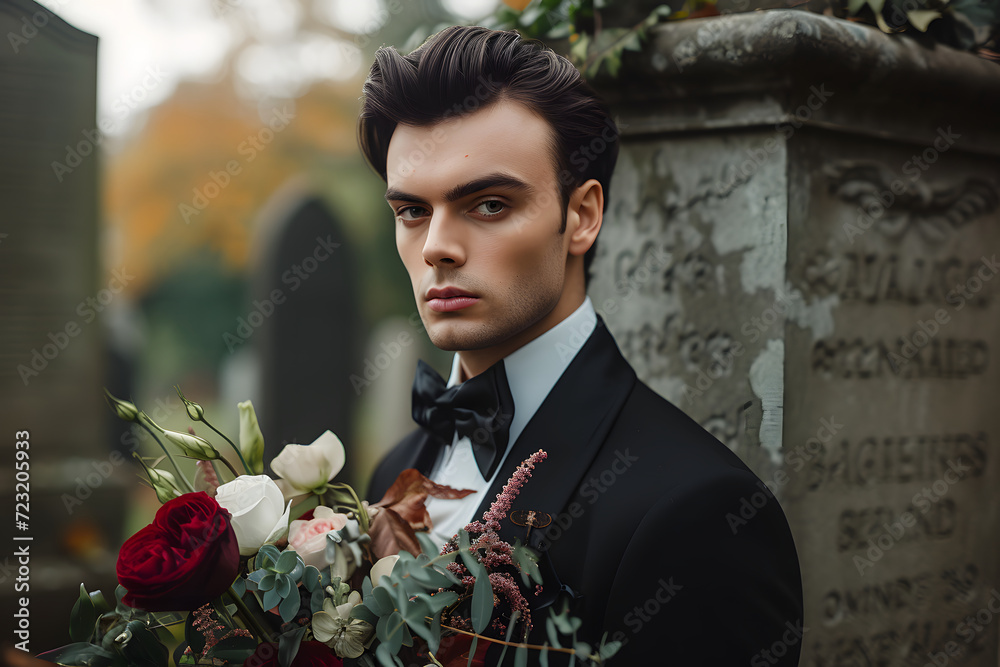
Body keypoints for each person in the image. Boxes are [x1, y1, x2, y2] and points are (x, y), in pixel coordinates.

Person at [359, 25, 803, 665]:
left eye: (487, 204)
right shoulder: (391, 472)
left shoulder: (699, 514)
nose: (435, 247)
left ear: (582, 216)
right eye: (411, 211)